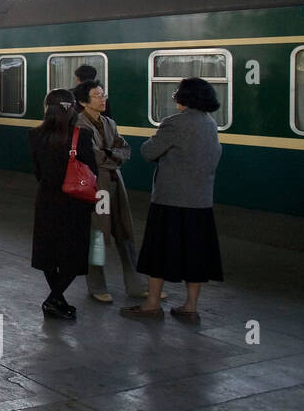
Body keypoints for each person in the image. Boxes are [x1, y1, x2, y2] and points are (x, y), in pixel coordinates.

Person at [124, 78, 225, 323]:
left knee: (158, 252)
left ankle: (152, 304)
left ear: (185, 97)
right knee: (196, 253)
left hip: (171, 201)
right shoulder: (211, 124)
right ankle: (190, 307)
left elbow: (148, 152)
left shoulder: (173, 124)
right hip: (201, 202)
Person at [74, 80, 146, 302]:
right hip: (97, 187)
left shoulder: (109, 123)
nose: (103, 98)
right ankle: (96, 286)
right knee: (97, 234)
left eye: (103, 94)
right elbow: (92, 156)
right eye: (97, 95)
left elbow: (124, 148)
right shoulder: (78, 125)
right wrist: (112, 155)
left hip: (115, 183)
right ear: (83, 101)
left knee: (124, 232)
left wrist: (110, 155)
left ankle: (135, 285)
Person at [29, 89, 97, 320]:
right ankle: (53, 299)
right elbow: (91, 172)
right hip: (74, 203)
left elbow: (38, 171)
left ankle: (57, 300)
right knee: (73, 253)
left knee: (49, 252)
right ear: (73, 109)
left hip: (47, 199)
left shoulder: (36, 135)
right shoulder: (82, 136)